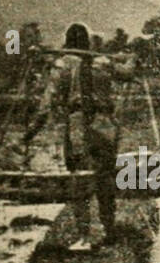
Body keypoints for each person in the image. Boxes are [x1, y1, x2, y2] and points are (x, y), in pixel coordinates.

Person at [18, 23, 119, 251]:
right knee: (104, 180)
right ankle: (109, 230)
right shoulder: (103, 63)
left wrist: (29, 134)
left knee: (79, 180)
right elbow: (128, 72)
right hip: (106, 127)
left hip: (79, 127)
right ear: (87, 42)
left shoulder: (62, 65)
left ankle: (85, 235)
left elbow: (46, 105)